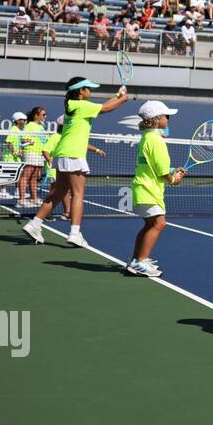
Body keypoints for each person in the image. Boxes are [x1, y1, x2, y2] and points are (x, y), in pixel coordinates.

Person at [21, 77, 131, 248]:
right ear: (81, 91)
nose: (91, 91)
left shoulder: (73, 106)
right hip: (74, 154)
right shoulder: (83, 106)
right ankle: (74, 233)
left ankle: (34, 224)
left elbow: (104, 104)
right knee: (77, 195)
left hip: (62, 154)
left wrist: (118, 94)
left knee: (58, 192)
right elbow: (107, 108)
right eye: (88, 88)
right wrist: (123, 99)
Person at [126, 101, 187, 276]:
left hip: (143, 189)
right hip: (149, 190)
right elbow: (162, 173)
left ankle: (136, 259)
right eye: (166, 116)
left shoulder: (147, 138)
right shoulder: (157, 141)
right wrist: (174, 178)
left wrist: (171, 172)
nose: (169, 119)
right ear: (156, 118)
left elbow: (154, 165)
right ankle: (141, 262)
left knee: (149, 225)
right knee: (159, 224)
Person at [17, 106, 48, 207]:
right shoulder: (30, 125)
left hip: (40, 154)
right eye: (43, 114)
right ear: (36, 115)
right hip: (31, 153)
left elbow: (44, 140)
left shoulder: (41, 127)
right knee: (26, 176)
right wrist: (30, 141)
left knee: (34, 177)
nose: (45, 116)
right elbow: (23, 139)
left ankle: (34, 199)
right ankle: (21, 199)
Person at [0, 112, 28, 200]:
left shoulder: (18, 131)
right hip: (9, 157)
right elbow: (9, 143)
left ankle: (17, 192)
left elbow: (20, 142)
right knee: (7, 174)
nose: (24, 122)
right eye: (23, 120)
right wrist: (14, 152)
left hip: (15, 157)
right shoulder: (13, 130)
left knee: (19, 174)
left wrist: (23, 148)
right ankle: (3, 192)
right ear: (18, 120)